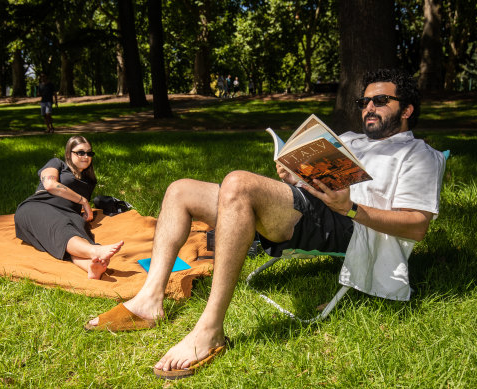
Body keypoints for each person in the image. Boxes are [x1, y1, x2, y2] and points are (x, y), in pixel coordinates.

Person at [84, 69, 446, 379]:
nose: (369, 107)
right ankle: (150, 299)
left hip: (351, 226)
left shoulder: (418, 156)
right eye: (364, 102)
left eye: (380, 101)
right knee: (180, 191)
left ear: (407, 109)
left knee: (239, 183)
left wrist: (350, 208)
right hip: (312, 205)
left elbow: (416, 227)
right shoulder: (349, 140)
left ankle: (210, 330)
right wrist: (292, 175)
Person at [15, 136, 124, 279]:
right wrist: (83, 201)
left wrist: (86, 213)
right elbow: (50, 185)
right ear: (68, 154)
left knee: (74, 230)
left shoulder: (90, 181)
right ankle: (95, 250)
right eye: (80, 152)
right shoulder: (57, 164)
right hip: (39, 206)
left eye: (89, 153)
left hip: (67, 214)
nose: (86, 156)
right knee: (59, 224)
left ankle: (91, 267)